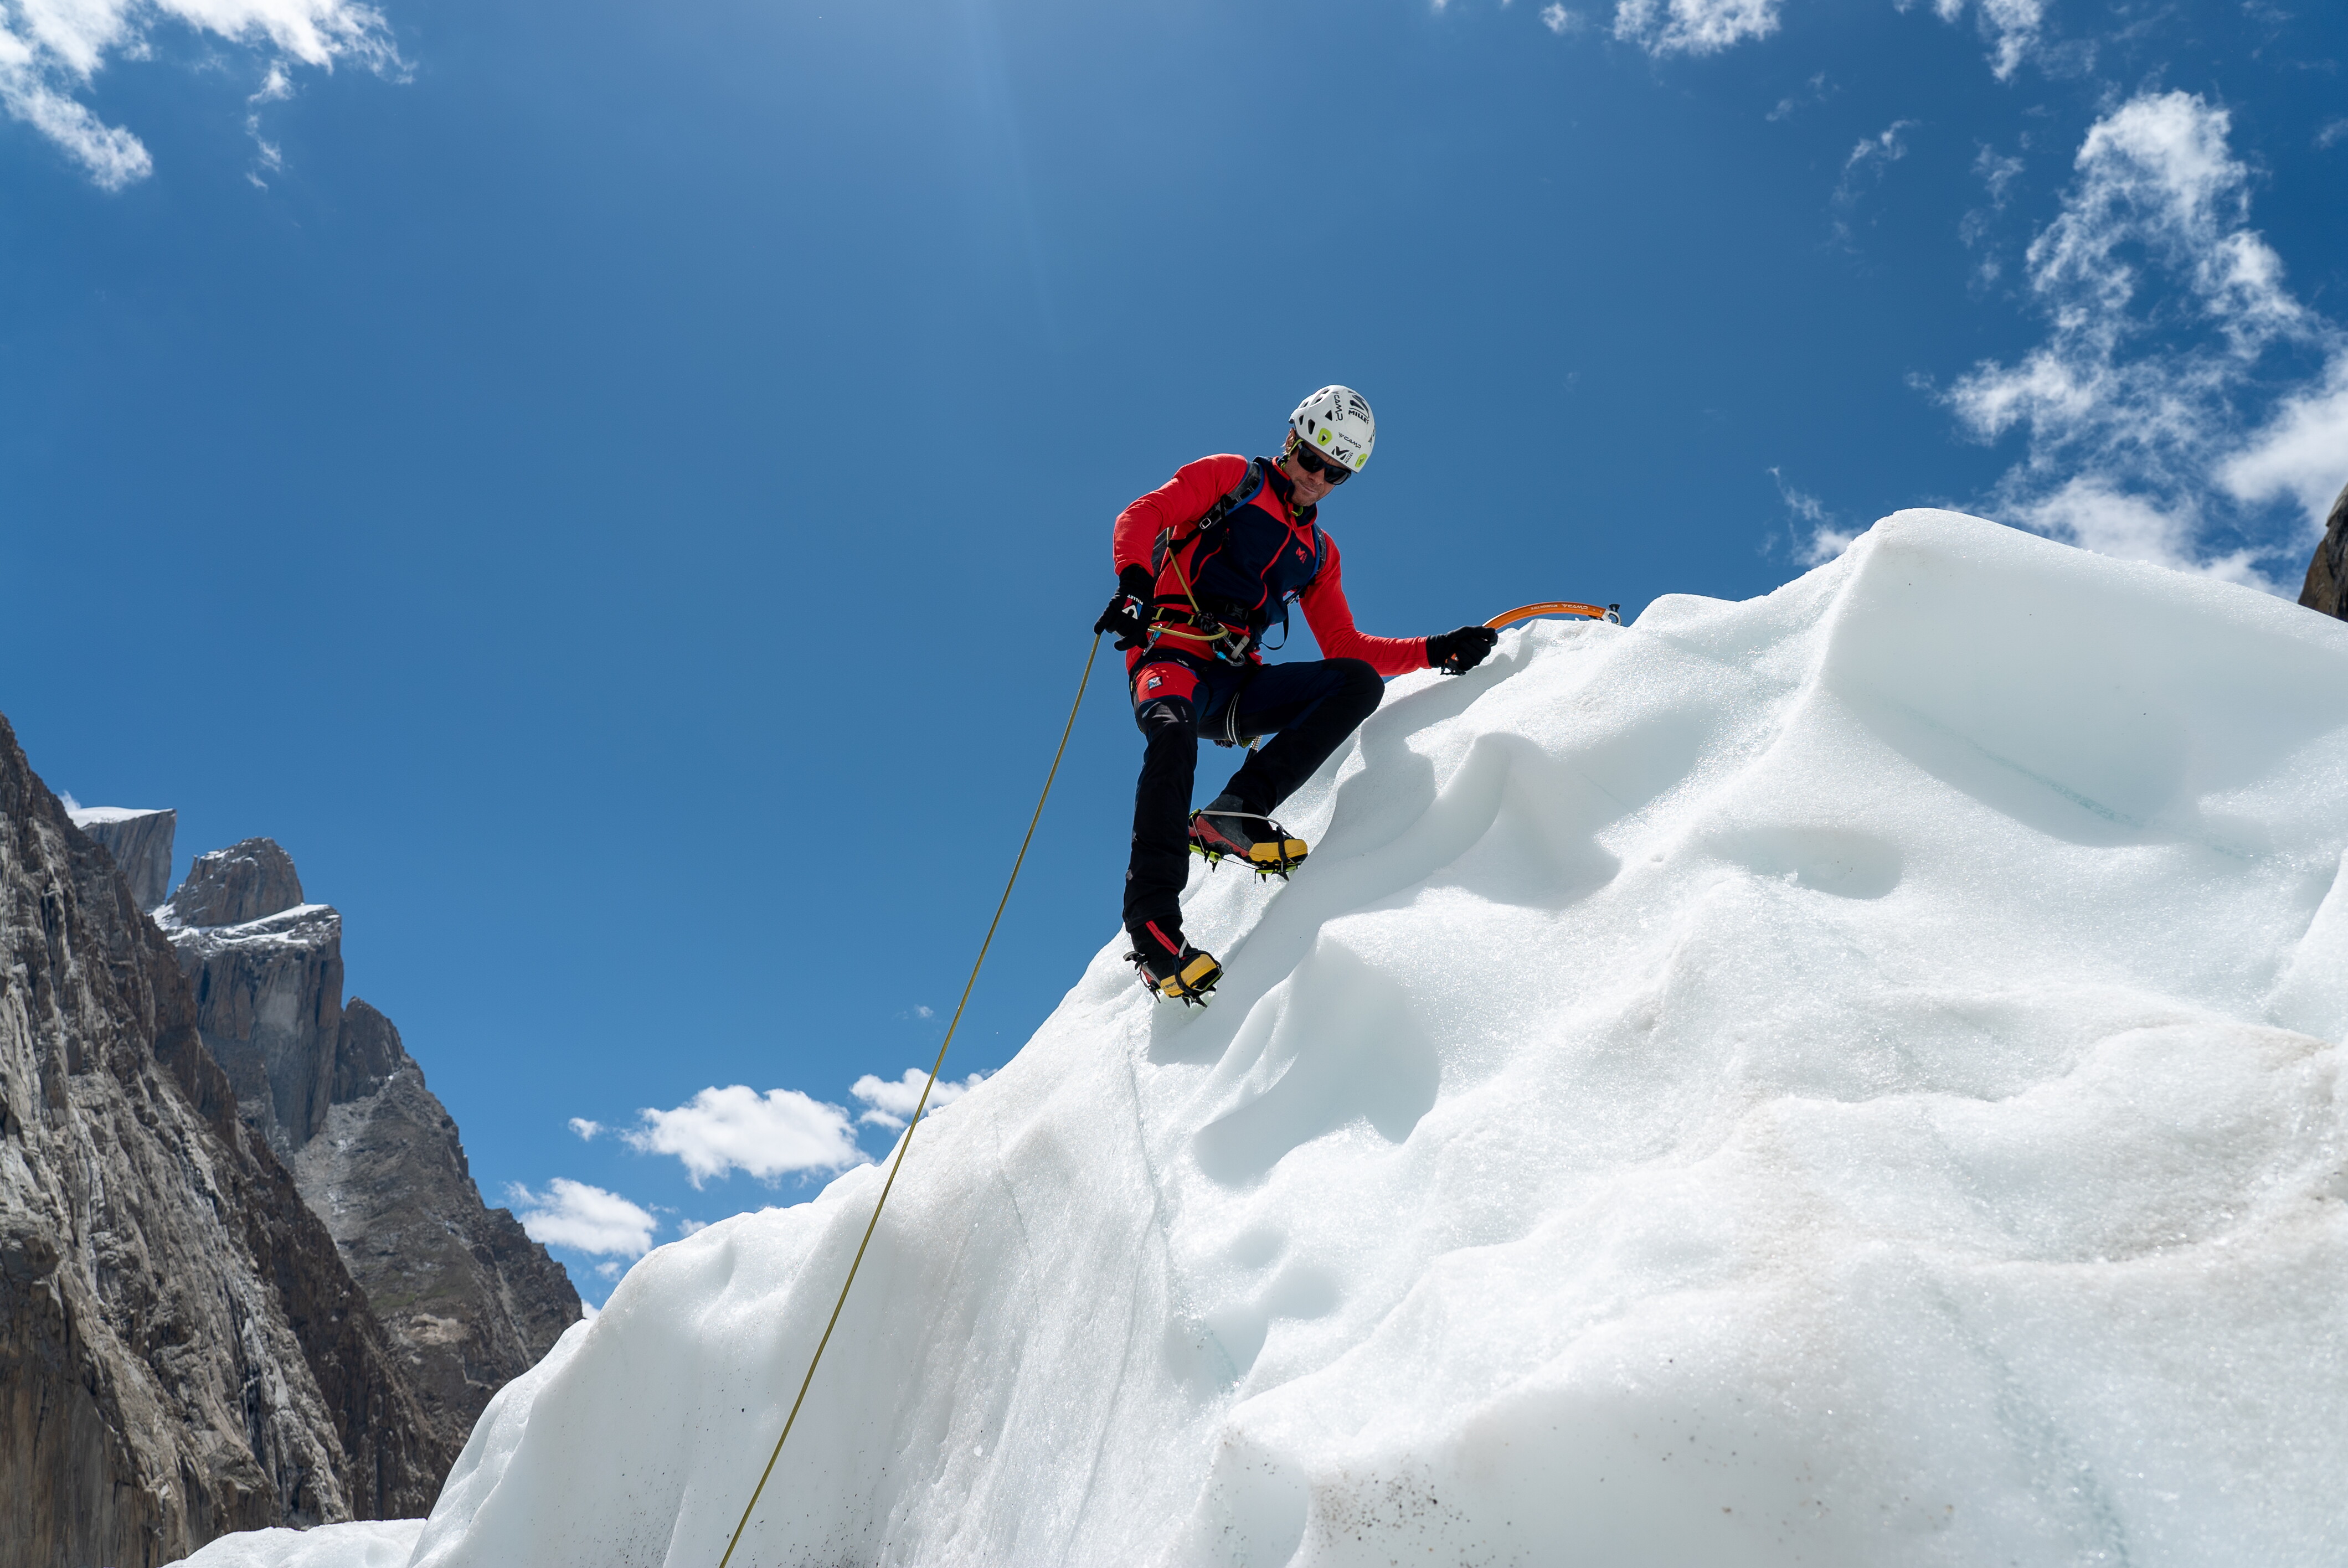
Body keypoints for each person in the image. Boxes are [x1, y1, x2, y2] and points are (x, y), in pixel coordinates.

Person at [1094, 385, 1498, 1004]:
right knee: (1171, 743)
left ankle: (1234, 811)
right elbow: (1142, 514)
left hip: (1233, 684)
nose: (1318, 479)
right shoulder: (1232, 479)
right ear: (1291, 441)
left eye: (1337, 474)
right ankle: (1154, 935)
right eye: (1313, 460)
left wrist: (1434, 649)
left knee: (1354, 684)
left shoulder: (1317, 553)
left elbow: (1347, 645)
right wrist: (1132, 587)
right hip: (1170, 658)